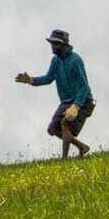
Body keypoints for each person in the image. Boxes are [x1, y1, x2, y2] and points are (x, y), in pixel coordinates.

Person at [15, 27, 94, 159]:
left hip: (82, 101)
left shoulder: (76, 60)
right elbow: (48, 78)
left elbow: (84, 87)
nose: (52, 46)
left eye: (55, 43)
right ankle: (82, 147)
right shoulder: (55, 61)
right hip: (66, 101)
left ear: (63, 45)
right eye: (51, 43)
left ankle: (64, 160)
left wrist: (76, 106)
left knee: (64, 124)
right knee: (52, 128)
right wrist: (31, 80)